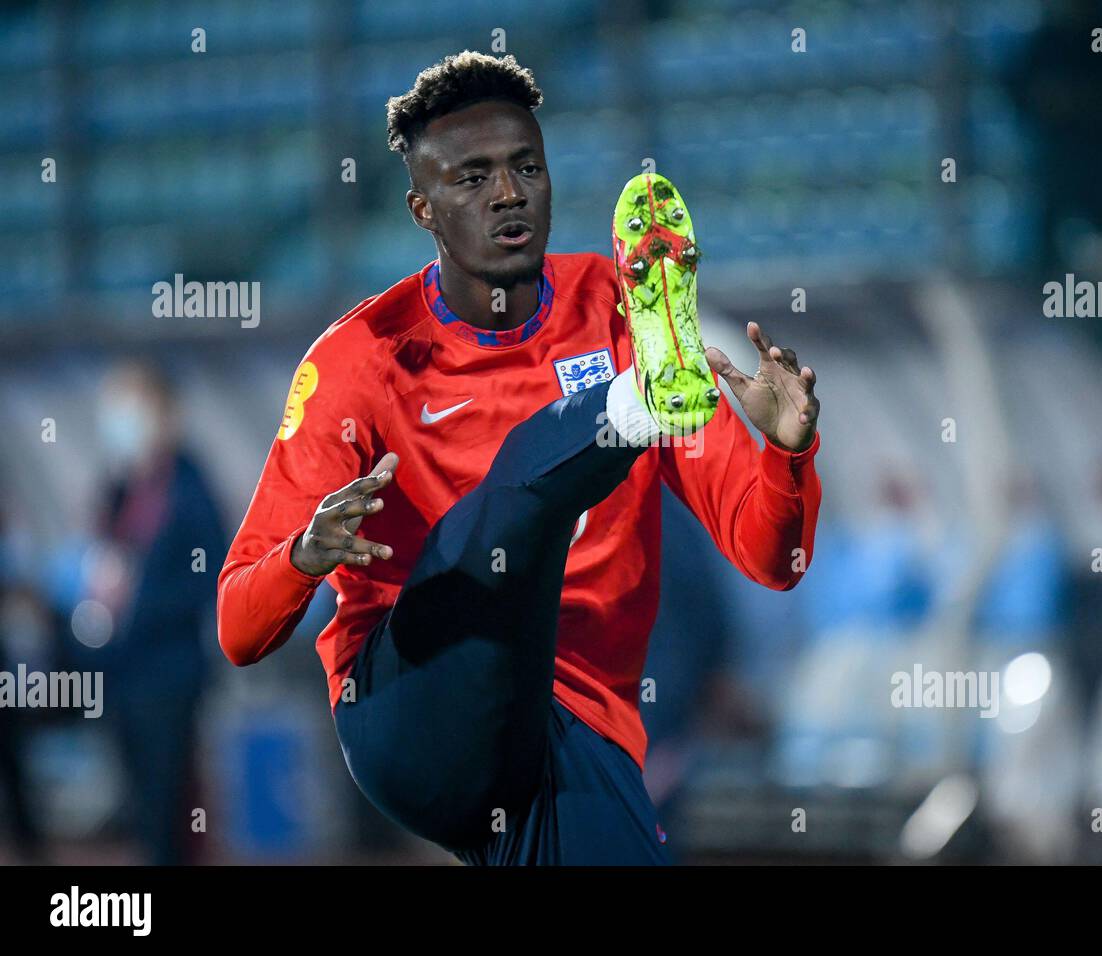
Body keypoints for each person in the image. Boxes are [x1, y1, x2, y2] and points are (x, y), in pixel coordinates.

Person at [217, 51, 823, 865]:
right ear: (422, 209)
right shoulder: (363, 360)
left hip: (571, 728)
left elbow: (772, 557)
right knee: (509, 509)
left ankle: (625, 414)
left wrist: (787, 455)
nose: (508, 193)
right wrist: (300, 559)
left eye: (525, 167)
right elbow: (238, 630)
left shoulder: (624, 309)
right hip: (418, 706)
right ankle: (624, 411)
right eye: (472, 178)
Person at [89, 360, 227, 864]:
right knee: (139, 803)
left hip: (170, 671)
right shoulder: (120, 488)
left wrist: (142, 607)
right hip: (120, 668)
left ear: (164, 415)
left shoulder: (188, 484)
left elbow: (211, 571)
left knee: (171, 801)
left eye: (134, 410)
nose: (122, 424)